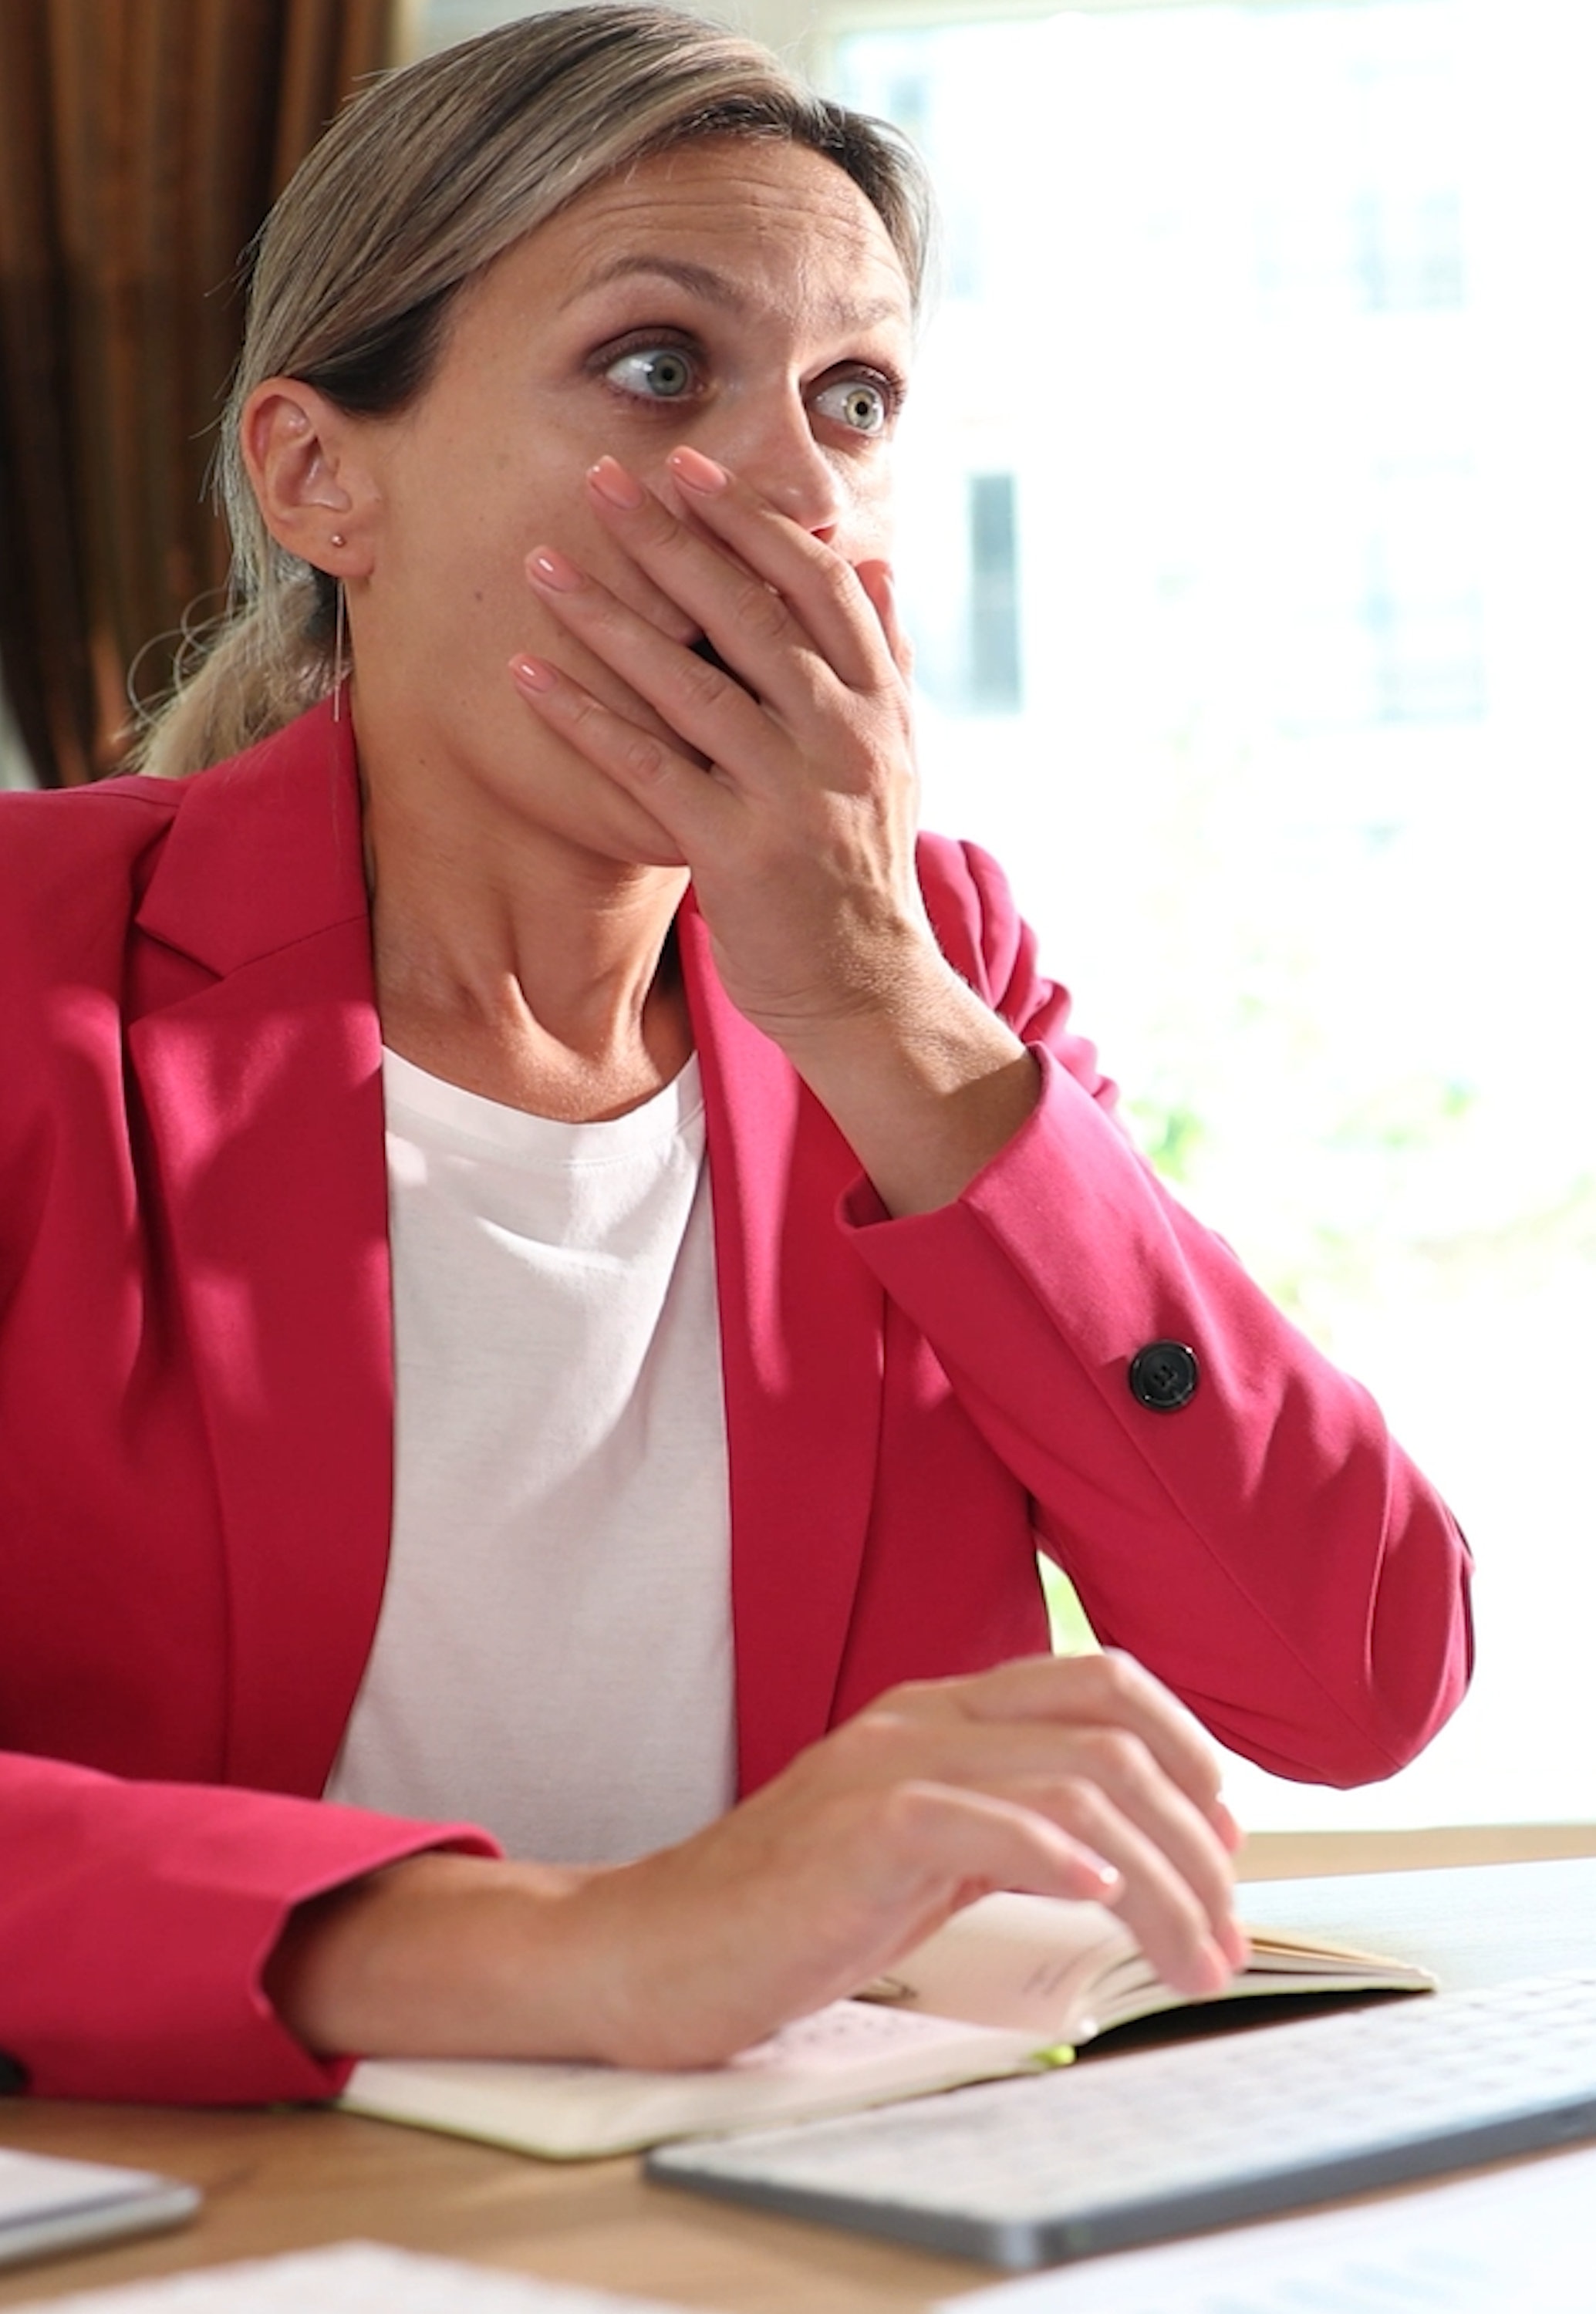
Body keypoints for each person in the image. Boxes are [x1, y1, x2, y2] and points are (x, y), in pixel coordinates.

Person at [0, 4, 1471, 2106]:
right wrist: (590, 1948)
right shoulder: (32, 965)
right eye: (660, 367)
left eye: (853, 399)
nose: (786, 482)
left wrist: (878, 1003)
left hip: (826, 2216)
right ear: (325, 476)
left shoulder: (935, 979)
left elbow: (1357, 1676)